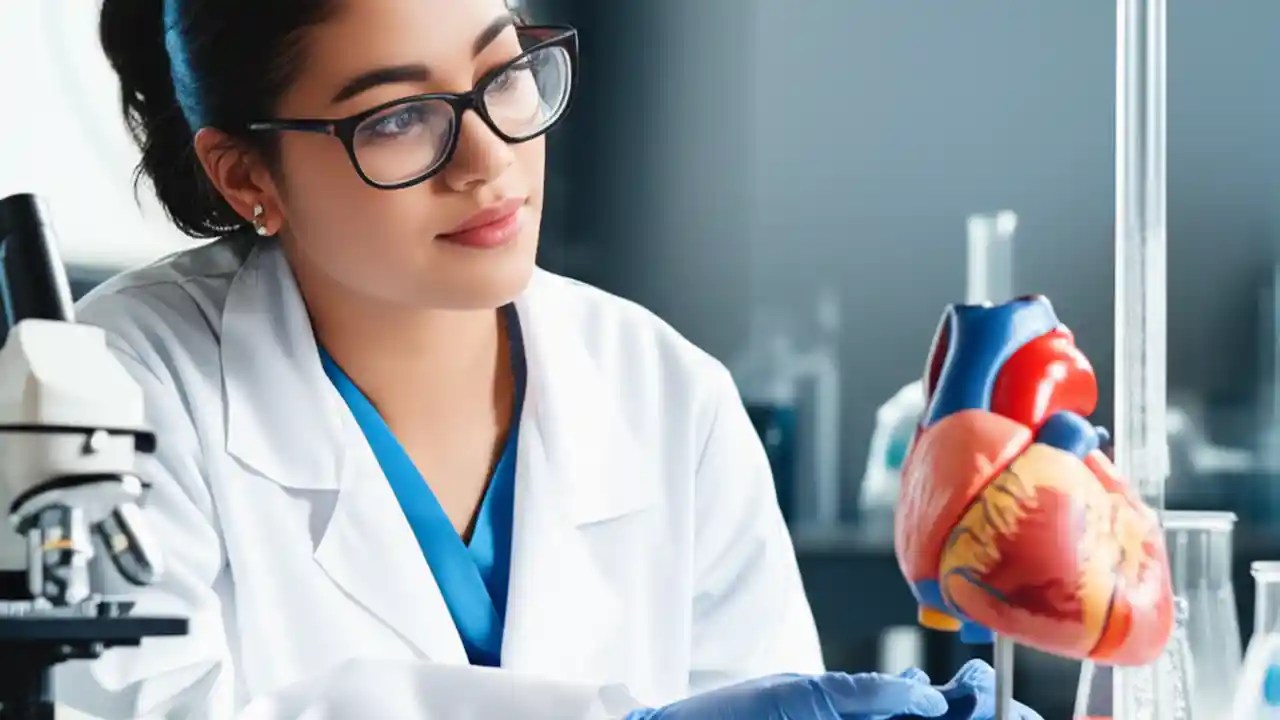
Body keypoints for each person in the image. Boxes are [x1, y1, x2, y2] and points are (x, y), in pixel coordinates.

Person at [56, 0, 1038, 717]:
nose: (486, 159)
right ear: (245, 174)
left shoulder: (662, 390)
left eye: (502, 75)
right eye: (398, 117)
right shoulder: (102, 391)